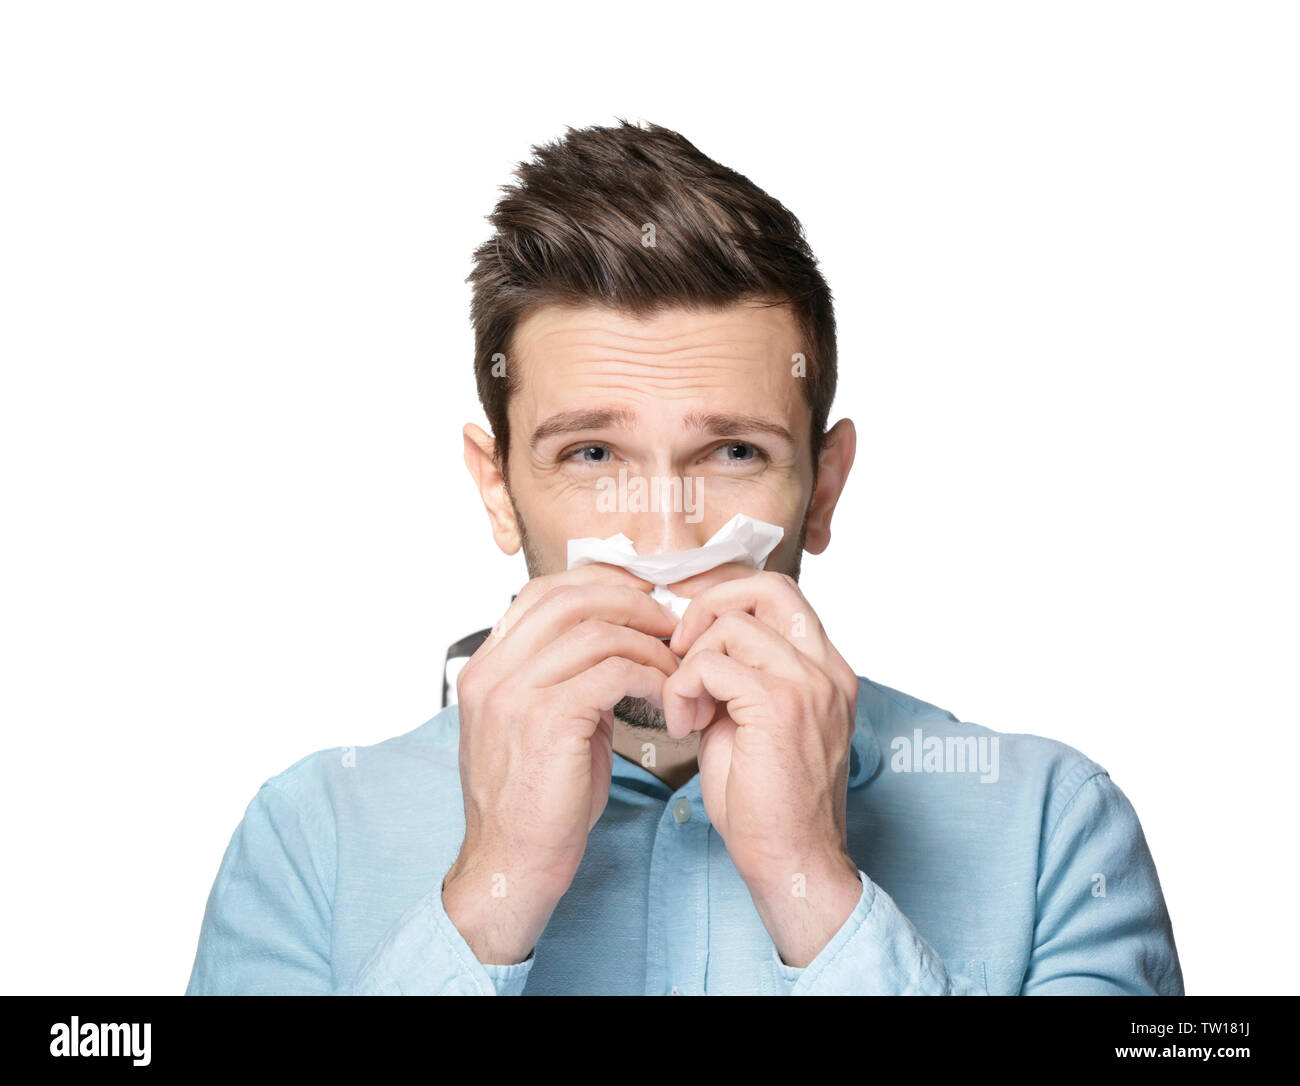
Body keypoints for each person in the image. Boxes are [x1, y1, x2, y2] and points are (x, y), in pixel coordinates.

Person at [185, 120, 1183, 995]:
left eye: (734, 452)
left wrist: (814, 887)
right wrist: (490, 890)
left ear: (823, 487)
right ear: (496, 487)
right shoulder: (306, 839)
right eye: (590, 453)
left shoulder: (1054, 830)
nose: (664, 536)